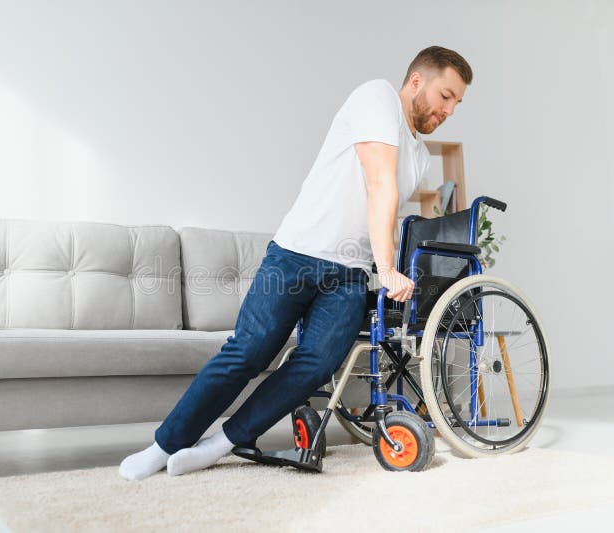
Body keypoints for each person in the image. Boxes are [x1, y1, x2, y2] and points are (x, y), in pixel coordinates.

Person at [119, 45, 472, 480]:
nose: (450, 109)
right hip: (297, 254)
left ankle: (222, 443)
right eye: (446, 95)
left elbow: (387, 211)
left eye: (457, 102)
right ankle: (164, 445)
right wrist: (387, 267)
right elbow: (380, 184)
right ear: (417, 81)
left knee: (316, 365)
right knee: (248, 351)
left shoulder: (418, 155)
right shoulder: (376, 97)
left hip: (350, 274)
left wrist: (381, 268)